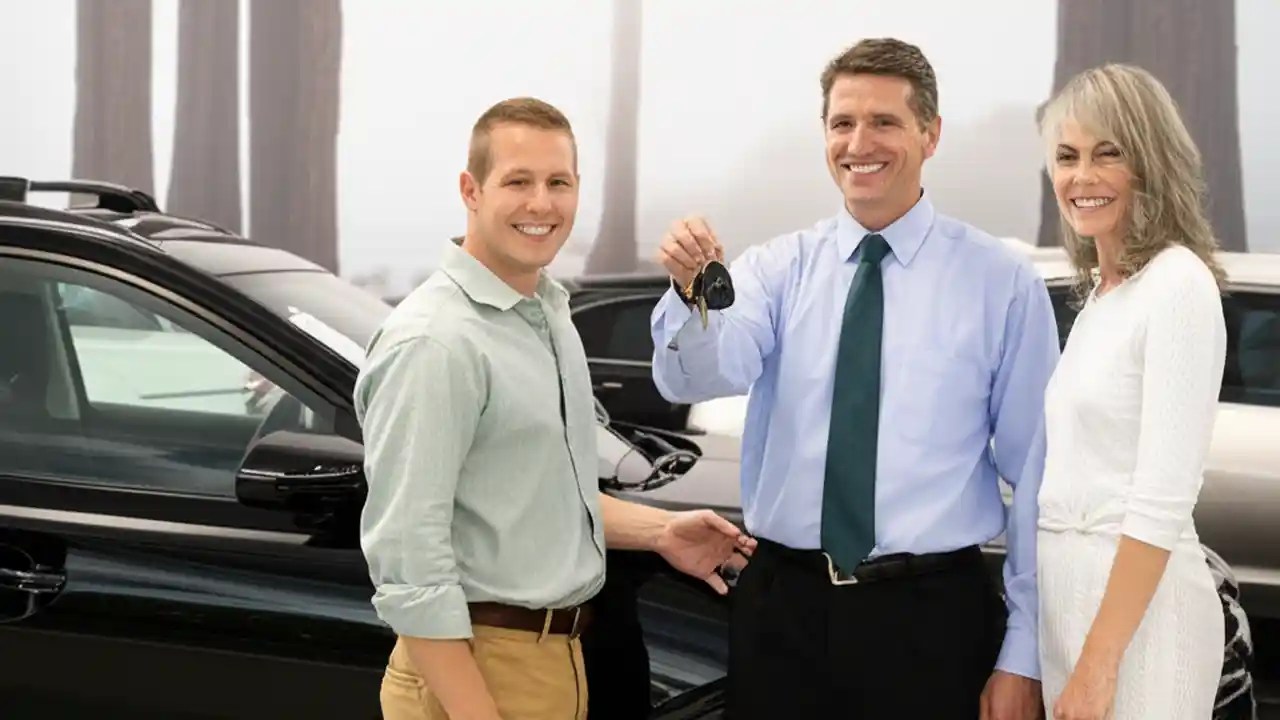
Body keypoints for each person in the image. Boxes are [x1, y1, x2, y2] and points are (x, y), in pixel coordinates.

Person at [649, 38, 1060, 719]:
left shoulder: (1001, 283)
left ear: (930, 135)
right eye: (842, 123)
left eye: (884, 122)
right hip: (786, 612)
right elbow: (698, 375)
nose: (858, 142)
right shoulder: (774, 271)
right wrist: (692, 296)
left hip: (932, 618)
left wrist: (1023, 652)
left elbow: (1039, 476)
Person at [355, 97, 756, 720]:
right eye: (518, 181)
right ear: (471, 189)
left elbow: (536, 495)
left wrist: (659, 534)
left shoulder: (546, 313)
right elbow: (409, 567)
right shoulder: (435, 342)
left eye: (558, 183)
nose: (541, 203)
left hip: (555, 663)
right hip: (475, 674)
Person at [1034, 63, 1227, 720]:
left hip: (1136, 628)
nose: (1080, 177)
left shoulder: (1178, 284)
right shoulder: (1101, 298)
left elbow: (1163, 496)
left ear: (1149, 163)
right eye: (1067, 157)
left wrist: (1098, 663)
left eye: (1106, 154)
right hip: (1072, 612)